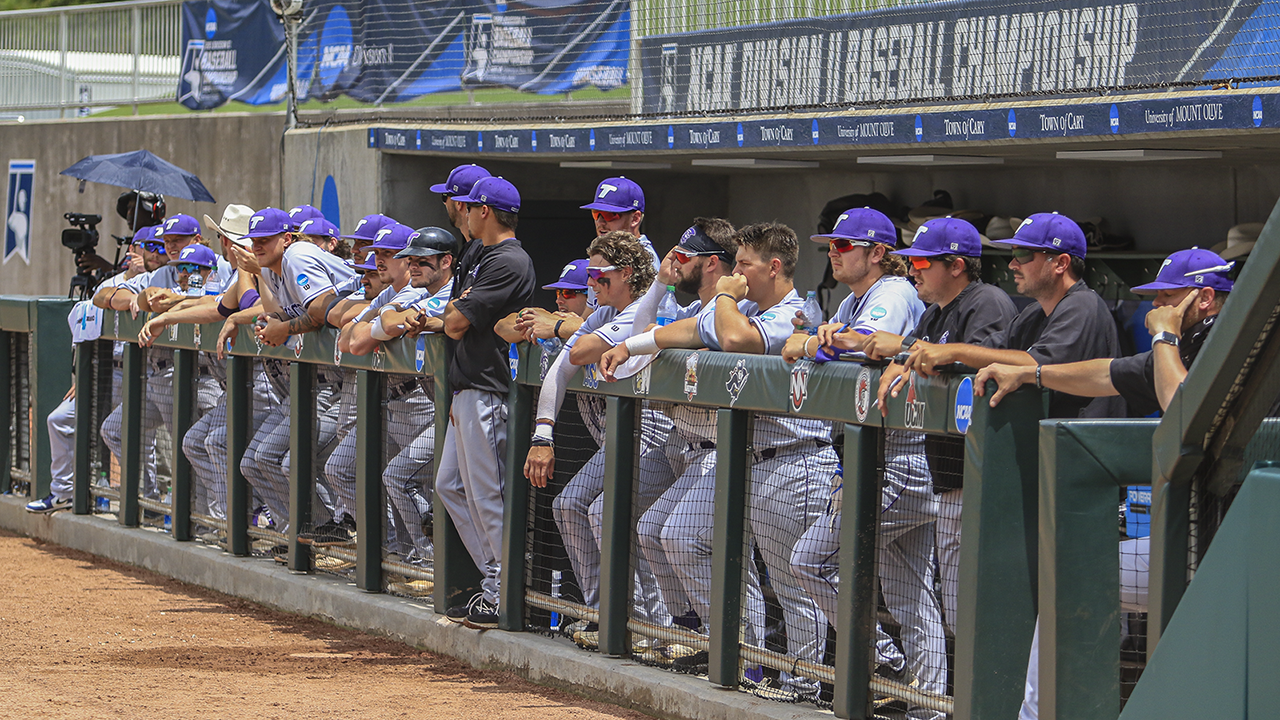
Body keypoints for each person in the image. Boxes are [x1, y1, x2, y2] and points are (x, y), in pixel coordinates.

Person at [973, 247, 1234, 720]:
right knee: (1076, 574)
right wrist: (1032, 373)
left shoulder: (1226, 342)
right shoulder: (1185, 342)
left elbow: (1182, 407)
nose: (1157, 307)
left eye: (1169, 297)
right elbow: (1106, 373)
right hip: (1201, 536)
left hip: (1237, 542)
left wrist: (1164, 339)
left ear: (1206, 299)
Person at [602, 222, 837, 702]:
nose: (738, 272)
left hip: (796, 458)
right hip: (749, 458)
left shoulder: (795, 313)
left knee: (794, 580)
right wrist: (632, 344)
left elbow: (732, 340)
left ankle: (805, 682)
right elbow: (691, 329)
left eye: (746, 263)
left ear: (773, 267)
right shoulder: (746, 307)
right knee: (685, 538)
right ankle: (744, 657)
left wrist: (726, 296)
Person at [781, 208, 948, 716]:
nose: (833, 252)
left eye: (844, 245)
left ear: (878, 253)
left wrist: (813, 341)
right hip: (891, 455)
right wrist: (822, 335)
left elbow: (863, 349)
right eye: (830, 245)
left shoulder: (893, 292)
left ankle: (888, 662)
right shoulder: (858, 297)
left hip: (899, 458)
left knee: (810, 559)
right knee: (909, 592)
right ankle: (931, 702)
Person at [834, 216, 1019, 636]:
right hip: (949, 479)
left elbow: (983, 363)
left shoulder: (986, 301)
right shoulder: (936, 313)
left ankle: (993, 702)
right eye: (913, 261)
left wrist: (903, 349)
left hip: (981, 480)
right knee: (956, 614)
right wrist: (901, 358)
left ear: (956, 266)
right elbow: (909, 355)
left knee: (979, 615)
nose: (913, 268)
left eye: (924, 262)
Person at [522, 232, 676, 652]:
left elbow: (582, 350)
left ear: (627, 273)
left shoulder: (642, 312)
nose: (592, 283)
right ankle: (601, 612)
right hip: (619, 439)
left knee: (609, 515)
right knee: (568, 505)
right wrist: (542, 434)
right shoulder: (603, 312)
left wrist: (565, 329)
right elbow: (559, 369)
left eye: (598, 275)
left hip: (657, 439)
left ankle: (652, 626)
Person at [438, 177, 536, 629]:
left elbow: (454, 322)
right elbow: (450, 315)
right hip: (466, 388)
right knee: (450, 487)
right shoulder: (480, 253)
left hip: (489, 389)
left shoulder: (510, 260)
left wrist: (455, 309)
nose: (459, 212)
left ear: (486, 211)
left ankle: (505, 592)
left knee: (488, 496)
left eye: (468, 207)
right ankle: (494, 580)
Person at [233, 208, 356, 543]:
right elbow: (277, 313)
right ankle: (323, 533)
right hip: (335, 381)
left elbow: (318, 313)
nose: (257, 246)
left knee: (323, 465)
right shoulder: (276, 267)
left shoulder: (298, 256)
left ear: (286, 239)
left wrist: (283, 328)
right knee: (271, 461)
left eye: (265, 240)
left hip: (352, 381)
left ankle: (341, 535)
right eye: (254, 241)